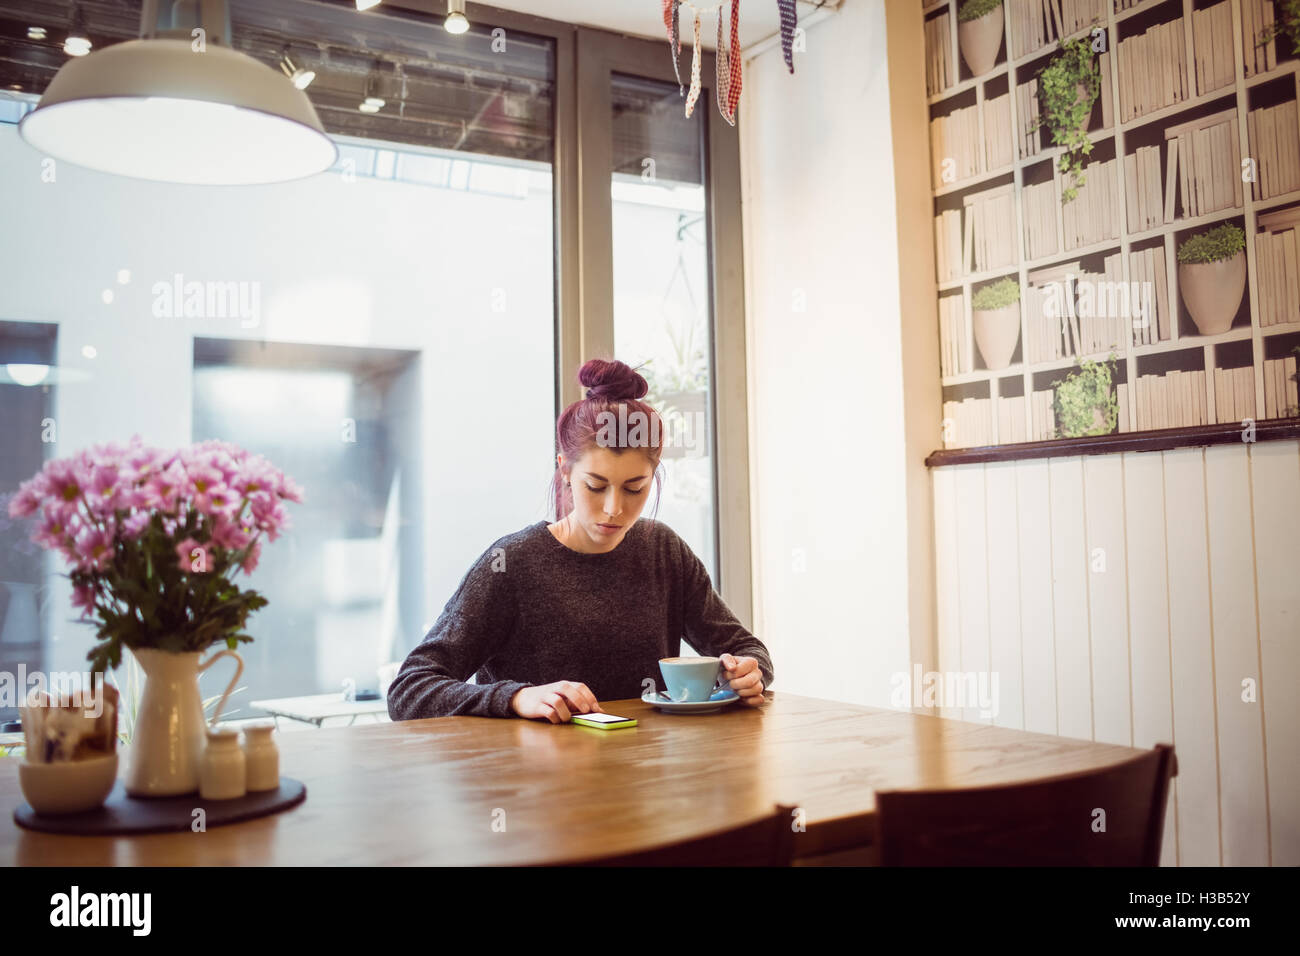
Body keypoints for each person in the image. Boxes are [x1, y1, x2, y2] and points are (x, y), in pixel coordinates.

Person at [387, 357, 775, 723]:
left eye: (634, 489)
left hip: (644, 781)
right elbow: (409, 691)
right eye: (596, 486)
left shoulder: (664, 551)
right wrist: (517, 697)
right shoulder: (512, 563)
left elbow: (749, 652)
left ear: (653, 476)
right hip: (538, 786)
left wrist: (744, 673)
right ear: (565, 470)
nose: (613, 509)